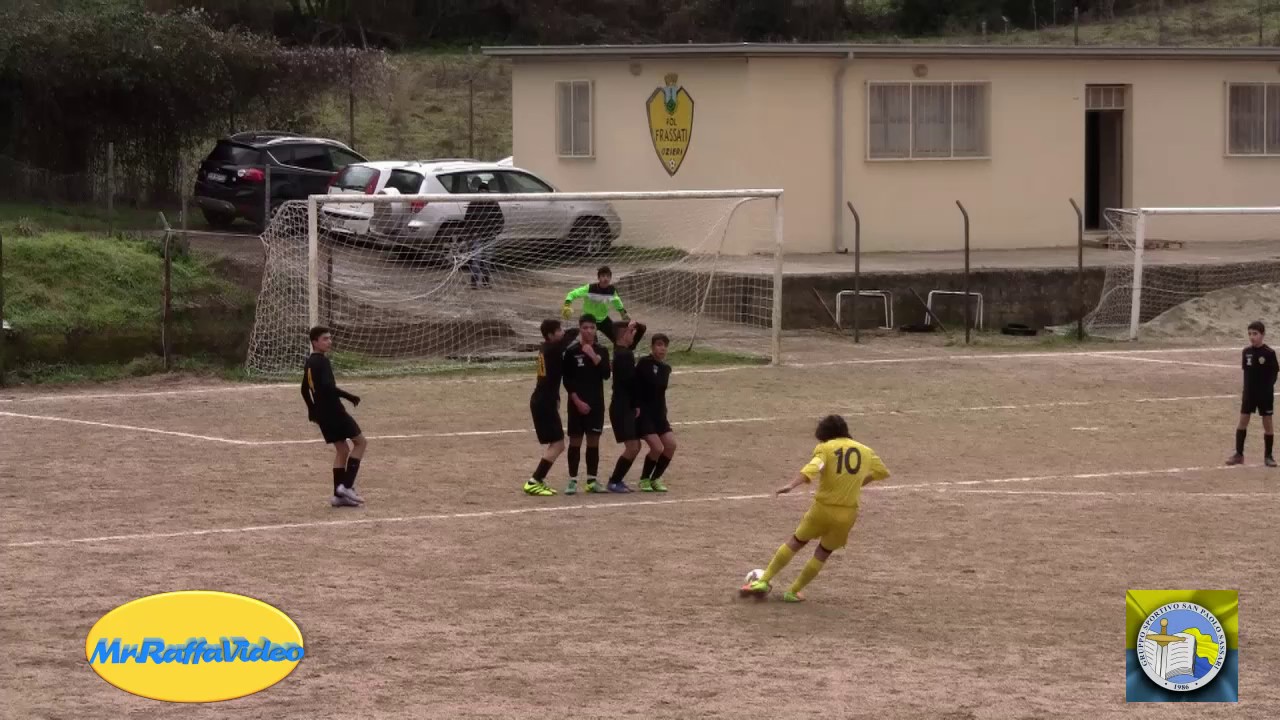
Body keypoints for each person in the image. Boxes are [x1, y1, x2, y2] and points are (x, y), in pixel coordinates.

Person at [741, 415, 890, 603]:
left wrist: (791, 485)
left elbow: (812, 467)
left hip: (822, 509)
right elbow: (883, 472)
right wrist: (857, 484)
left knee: (796, 542)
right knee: (823, 553)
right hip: (846, 514)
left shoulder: (825, 448)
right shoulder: (866, 451)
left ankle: (763, 581)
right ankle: (793, 592)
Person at [300, 326, 368, 507]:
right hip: (334, 412)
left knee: (343, 450)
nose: (329, 342)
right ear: (315, 342)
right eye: (325, 339)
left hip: (323, 414)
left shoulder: (309, 362)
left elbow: (304, 389)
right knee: (361, 443)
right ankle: (346, 486)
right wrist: (349, 396)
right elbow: (328, 388)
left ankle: (338, 496)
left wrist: (312, 410)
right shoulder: (322, 362)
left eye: (330, 338)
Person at [523, 318, 580, 496]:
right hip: (543, 402)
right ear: (550, 335)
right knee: (558, 444)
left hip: (544, 400)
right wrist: (582, 326)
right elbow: (571, 335)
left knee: (556, 443)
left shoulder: (546, 348)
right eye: (558, 330)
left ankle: (539, 479)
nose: (562, 332)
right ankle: (534, 480)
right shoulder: (553, 349)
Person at [561, 314, 611, 495]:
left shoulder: (602, 350)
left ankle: (591, 480)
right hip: (576, 404)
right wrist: (576, 400)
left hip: (596, 404)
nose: (589, 331)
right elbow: (566, 379)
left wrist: (593, 356)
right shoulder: (571, 351)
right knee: (575, 441)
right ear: (580, 329)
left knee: (593, 441)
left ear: (595, 329)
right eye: (585, 328)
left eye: (592, 327)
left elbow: (606, 374)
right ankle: (572, 480)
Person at [1228, 320, 1278, 467]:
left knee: (1267, 422)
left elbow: (1273, 374)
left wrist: (1267, 389)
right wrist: (1247, 391)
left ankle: (1268, 456)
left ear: (1262, 335)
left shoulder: (1269, 353)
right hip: (1249, 394)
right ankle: (1239, 454)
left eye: (1255, 334)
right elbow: (1247, 373)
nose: (1252, 337)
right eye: (1250, 334)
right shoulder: (1246, 352)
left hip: (1265, 395)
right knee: (1243, 421)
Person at [562, 266, 646, 347]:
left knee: (618, 340)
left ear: (610, 278)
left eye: (608, 276)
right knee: (591, 344)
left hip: (604, 319)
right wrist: (567, 306)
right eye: (603, 276)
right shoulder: (590, 288)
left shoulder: (611, 290)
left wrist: (624, 314)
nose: (605, 278)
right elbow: (572, 294)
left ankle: (617, 358)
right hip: (589, 320)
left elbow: (617, 302)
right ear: (598, 278)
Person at [605, 320, 642, 493]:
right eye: (631, 333)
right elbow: (630, 383)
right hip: (622, 407)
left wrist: (632, 326)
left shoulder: (622, 351)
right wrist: (636, 404)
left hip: (624, 404)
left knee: (636, 446)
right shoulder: (624, 355)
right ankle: (614, 481)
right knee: (633, 447)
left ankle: (617, 480)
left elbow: (642, 329)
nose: (634, 335)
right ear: (624, 335)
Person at [635, 333, 675, 493]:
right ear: (652, 347)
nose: (662, 348)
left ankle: (655, 478)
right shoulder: (644, 363)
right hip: (644, 414)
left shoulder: (666, 369)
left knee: (671, 445)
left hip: (659, 414)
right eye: (658, 345)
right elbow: (635, 387)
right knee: (657, 448)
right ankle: (644, 479)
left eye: (664, 345)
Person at [463, 177, 503, 288]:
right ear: (478, 192)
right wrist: (472, 233)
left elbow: (500, 220)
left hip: (489, 236)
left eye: (485, 191)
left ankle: (486, 281)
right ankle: (474, 282)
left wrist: (496, 232)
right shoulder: (474, 204)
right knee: (476, 259)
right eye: (481, 191)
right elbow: (468, 220)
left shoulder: (493, 204)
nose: (483, 193)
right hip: (477, 236)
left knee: (487, 260)